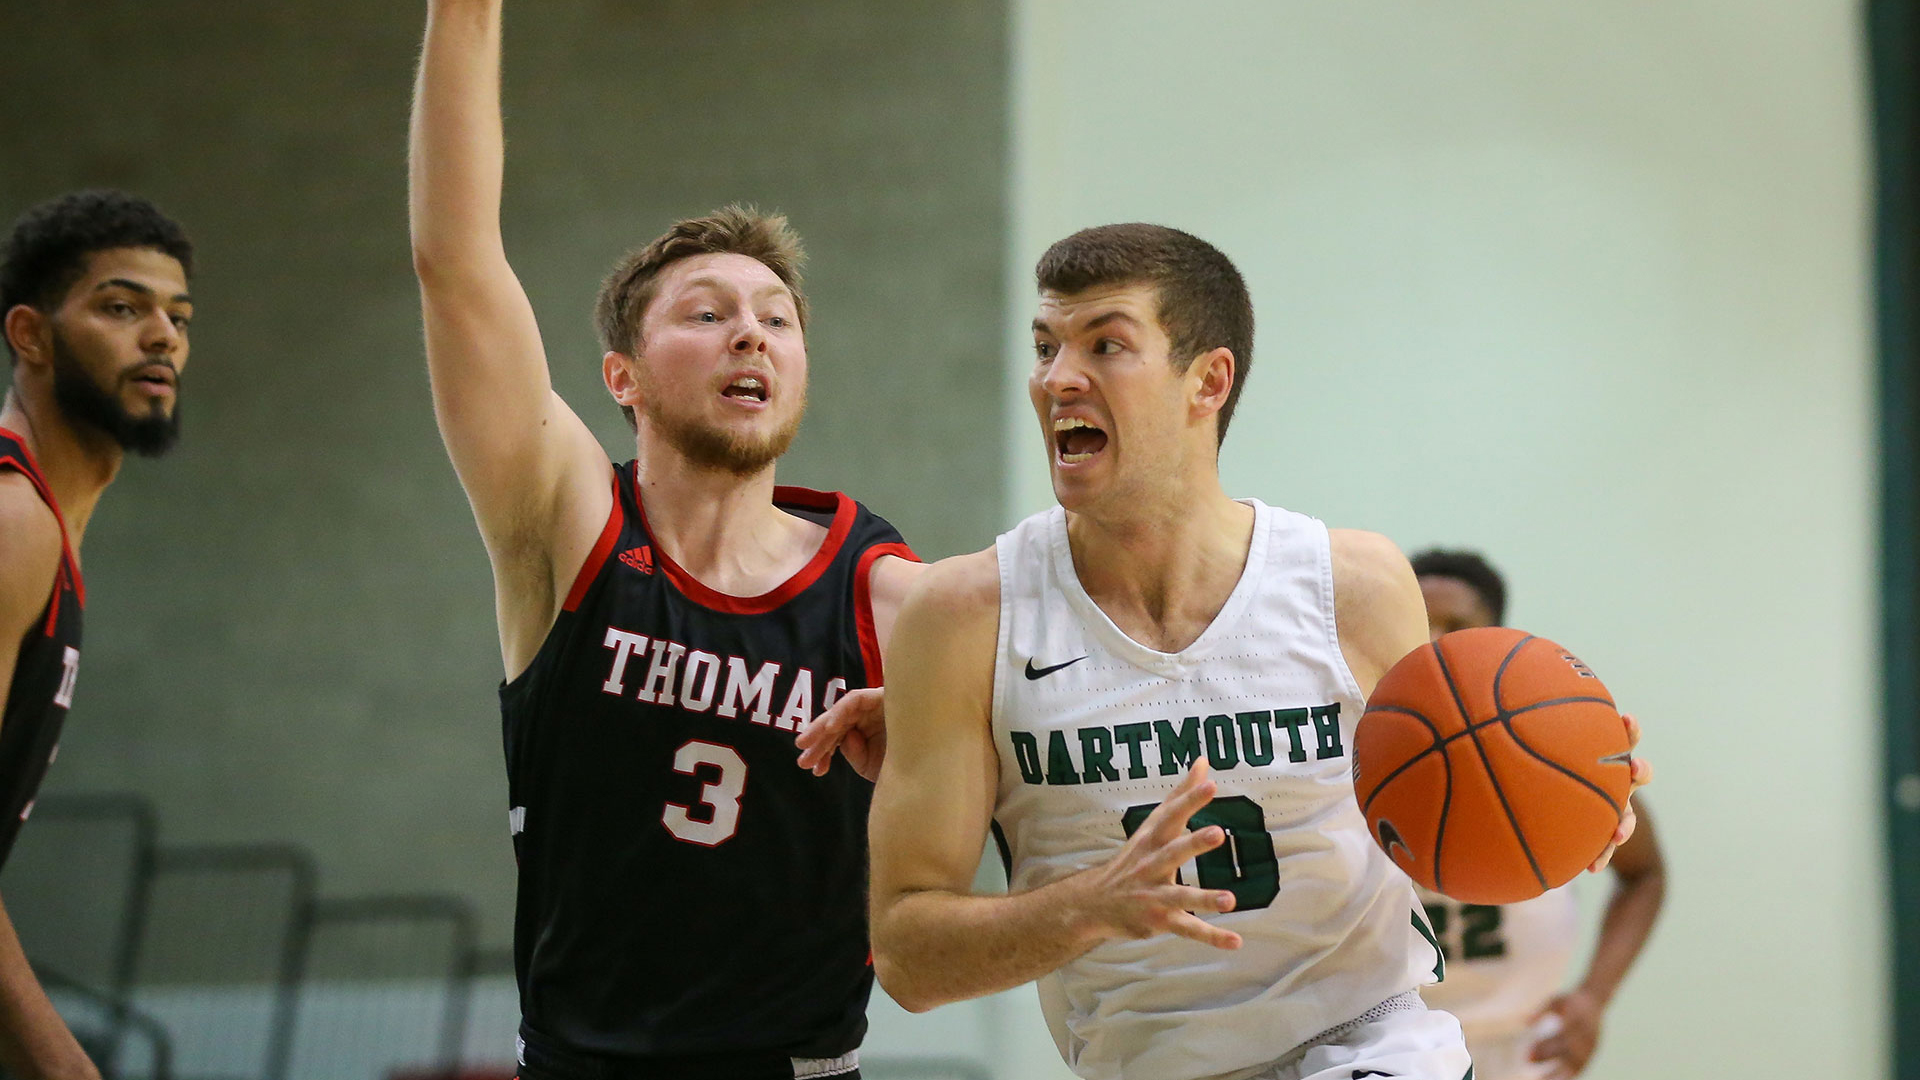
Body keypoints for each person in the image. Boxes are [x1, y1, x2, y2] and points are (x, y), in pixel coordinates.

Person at [862, 223, 1648, 1080]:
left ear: (1209, 380)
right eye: (1046, 346)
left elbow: (1450, 810)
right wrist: (1090, 906)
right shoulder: (967, 615)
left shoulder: (1352, 583)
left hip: (1367, 1041)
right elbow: (908, 960)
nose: (1058, 378)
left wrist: (1557, 809)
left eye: (1107, 344)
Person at [408, 4, 920, 1078]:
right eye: (706, 312)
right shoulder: (570, 522)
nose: (750, 332)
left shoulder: (885, 587)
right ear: (622, 379)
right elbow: (456, 262)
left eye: (777, 318)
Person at [0, 189, 193, 1079]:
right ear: (30, 335)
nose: (163, 336)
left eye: (177, 315)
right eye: (122, 307)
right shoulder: (12, 522)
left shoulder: (46, 528)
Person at [1410, 549, 1666, 1080]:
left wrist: (1594, 997)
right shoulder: (1363, 746)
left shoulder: (1553, 746)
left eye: (1455, 625)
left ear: (1494, 637)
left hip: (1524, 1039)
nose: (1434, 640)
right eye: (1420, 623)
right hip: (1398, 1037)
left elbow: (1644, 872)